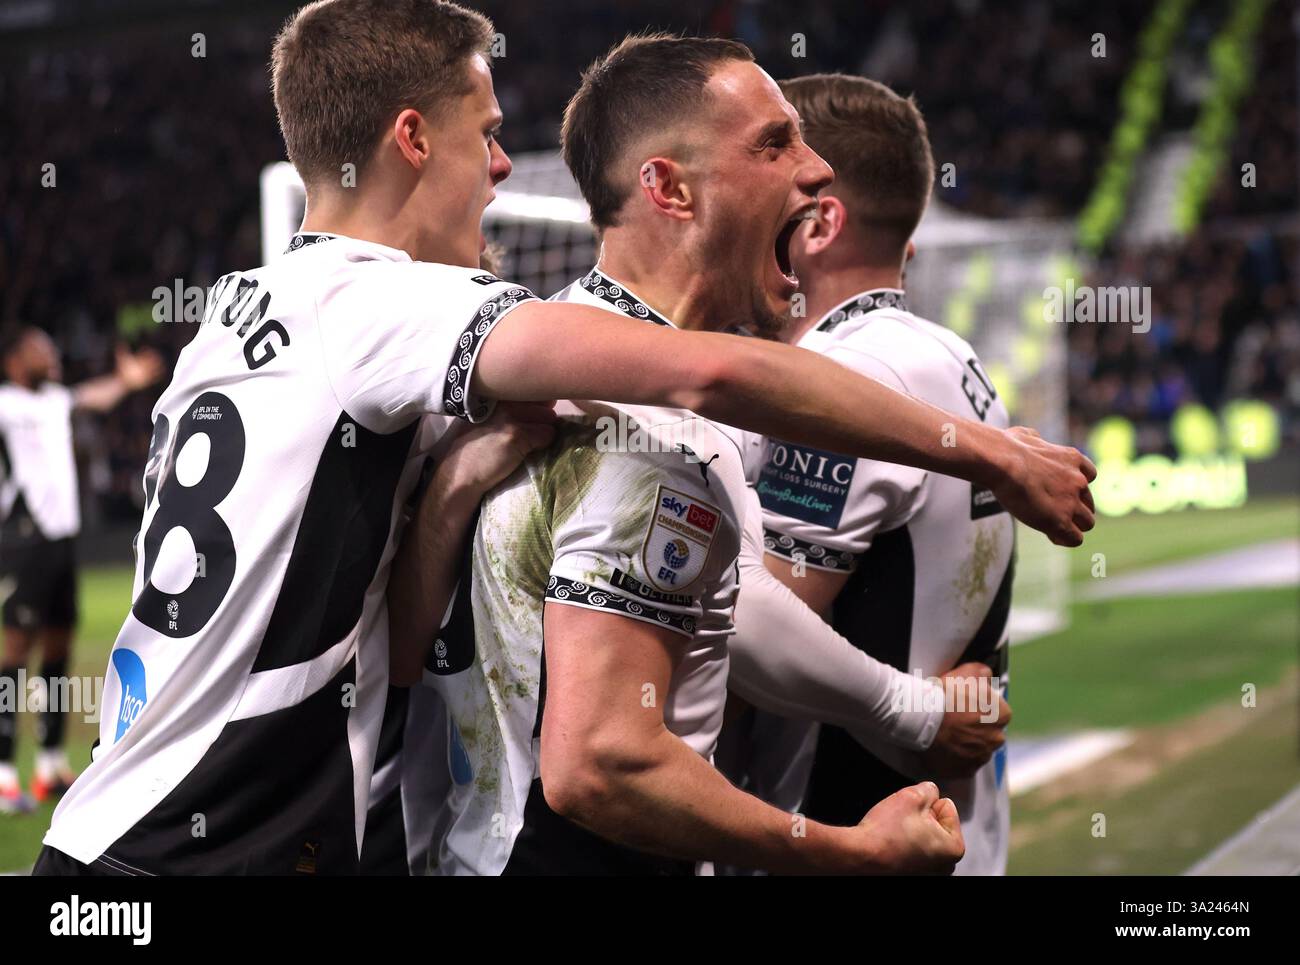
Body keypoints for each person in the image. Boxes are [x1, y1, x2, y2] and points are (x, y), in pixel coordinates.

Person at [36, 0, 1092, 876]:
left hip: (128, 825)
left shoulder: (237, 312)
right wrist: (987, 450)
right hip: (214, 837)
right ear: (413, 138)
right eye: (486, 132)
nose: (502, 167)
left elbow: (394, 643)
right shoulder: (390, 312)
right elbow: (701, 374)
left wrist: (456, 492)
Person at [395, 34, 972, 875]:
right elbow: (599, 766)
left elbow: (727, 604)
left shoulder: (540, 359)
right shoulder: (651, 431)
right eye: (775, 144)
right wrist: (851, 851)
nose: (816, 171)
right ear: (666, 187)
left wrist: (909, 708)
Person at [723, 73, 1019, 874]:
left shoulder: (843, 378)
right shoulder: (946, 353)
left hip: (849, 829)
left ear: (819, 222)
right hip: (951, 824)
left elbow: (750, 648)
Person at [0, 328, 161, 815]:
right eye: (39, 349)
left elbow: (90, 397)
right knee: (15, 651)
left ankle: (49, 763)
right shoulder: (5, 403)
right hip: (23, 538)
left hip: (62, 542)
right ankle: (5, 771)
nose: (50, 354)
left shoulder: (55, 400)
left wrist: (126, 381)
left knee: (58, 647)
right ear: (14, 360)